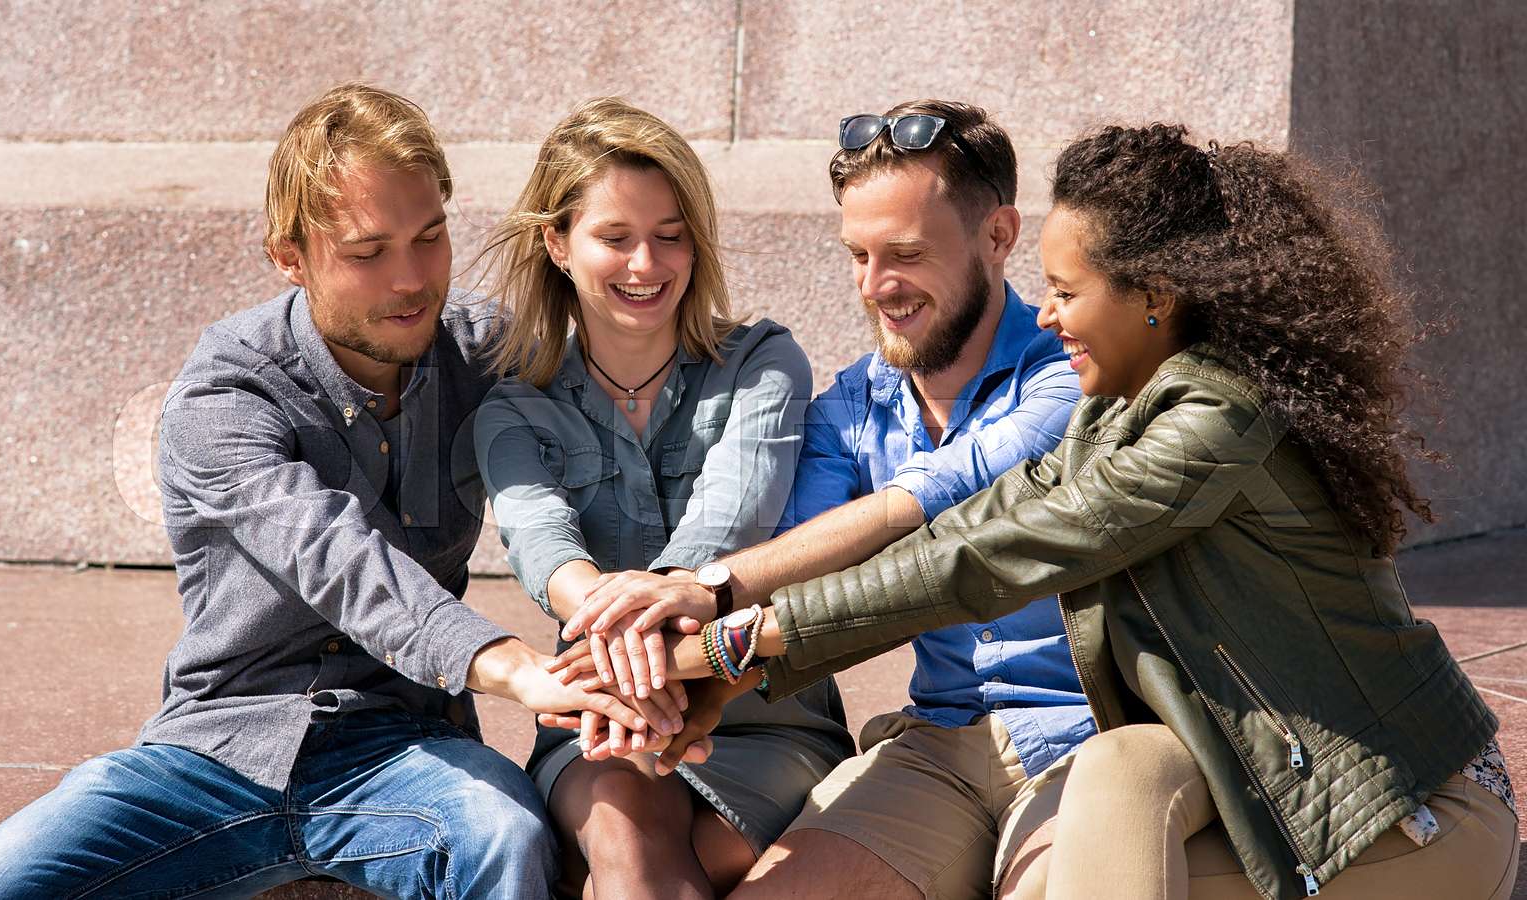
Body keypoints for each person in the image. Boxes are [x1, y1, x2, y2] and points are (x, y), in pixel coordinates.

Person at [574, 123, 1518, 899]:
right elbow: (972, 532)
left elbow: (991, 556)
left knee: (1108, 800)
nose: (1049, 314)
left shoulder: (1218, 417)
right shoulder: (1110, 409)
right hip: (1098, 756)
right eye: (858, 255)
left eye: (1065, 292)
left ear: (1155, 297)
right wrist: (729, 658)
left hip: (1388, 802)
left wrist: (728, 642)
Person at [0, 83, 651, 900]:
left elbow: (641, 400)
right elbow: (336, 560)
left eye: (430, 237)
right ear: (289, 256)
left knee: (504, 835)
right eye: (368, 253)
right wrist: (512, 667)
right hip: (215, 755)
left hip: (408, 754)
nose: (411, 279)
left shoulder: (483, 353)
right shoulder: (225, 391)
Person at [548, 99, 1088, 899]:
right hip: (939, 746)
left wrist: (704, 589)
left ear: (999, 236)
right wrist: (680, 687)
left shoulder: (1070, 374)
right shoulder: (852, 406)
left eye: (906, 254)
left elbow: (939, 490)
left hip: (1085, 740)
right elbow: (798, 576)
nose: (876, 287)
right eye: (858, 255)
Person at [470, 97, 853, 900]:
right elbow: (543, 546)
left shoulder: (762, 362)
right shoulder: (514, 403)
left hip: (763, 709)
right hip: (603, 708)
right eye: (615, 237)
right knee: (622, 829)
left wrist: (657, 610)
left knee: (640, 871)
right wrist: (625, 648)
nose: (646, 264)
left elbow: (731, 517)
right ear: (557, 243)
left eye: (670, 235)